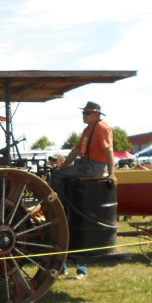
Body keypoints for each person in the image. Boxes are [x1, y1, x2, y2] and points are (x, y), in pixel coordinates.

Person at [52, 102, 116, 280]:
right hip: (85, 164)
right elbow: (75, 151)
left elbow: (108, 151)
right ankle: (61, 200)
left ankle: (56, 203)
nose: (84, 115)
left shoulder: (102, 128)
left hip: (93, 166)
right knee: (59, 174)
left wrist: (112, 173)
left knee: (56, 178)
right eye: (84, 113)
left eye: (88, 113)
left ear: (96, 114)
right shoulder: (88, 130)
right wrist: (63, 168)